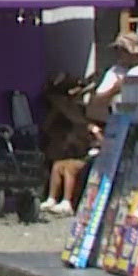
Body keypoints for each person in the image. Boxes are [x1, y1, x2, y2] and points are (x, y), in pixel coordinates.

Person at [39, 73, 95, 217]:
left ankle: (67, 202)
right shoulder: (69, 111)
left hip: (87, 154)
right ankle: (52, 199)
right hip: (73, 151)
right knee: (58, 165)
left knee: (69, 167)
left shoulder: (82, 114)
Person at [88, 31, 138, 121]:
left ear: (134, 53)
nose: (118, 54)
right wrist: (114, 89)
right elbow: (97, 102)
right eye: (116, 49)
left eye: (122, 50)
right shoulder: (115, 71)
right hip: (122, 123)